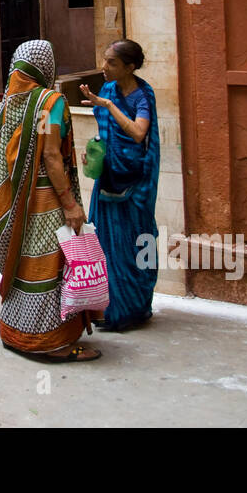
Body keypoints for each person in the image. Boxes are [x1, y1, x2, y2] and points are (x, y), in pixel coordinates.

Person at [0, 39, 101, 362]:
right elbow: (52, 155)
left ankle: (18, 333)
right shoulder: (49, 101)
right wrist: (70, 203)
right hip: (46, 200)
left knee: (27, 260)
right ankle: (51, 343)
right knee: (50, 265)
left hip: (19, 204)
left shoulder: (11, 101)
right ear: (46, 67)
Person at [79, 39, 160, 332]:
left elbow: (139, 134)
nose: (104, 67)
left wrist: (109, 105)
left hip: (134, 185)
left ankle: (134, 309)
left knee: (135, 245)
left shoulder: (142, 95)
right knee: (105, 246)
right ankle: (108, 311)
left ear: (130, 67)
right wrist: (95, 151)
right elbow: (106, 132)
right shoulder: (108, 89)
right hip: (109, 180)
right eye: (104, 60)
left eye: (112, 63)